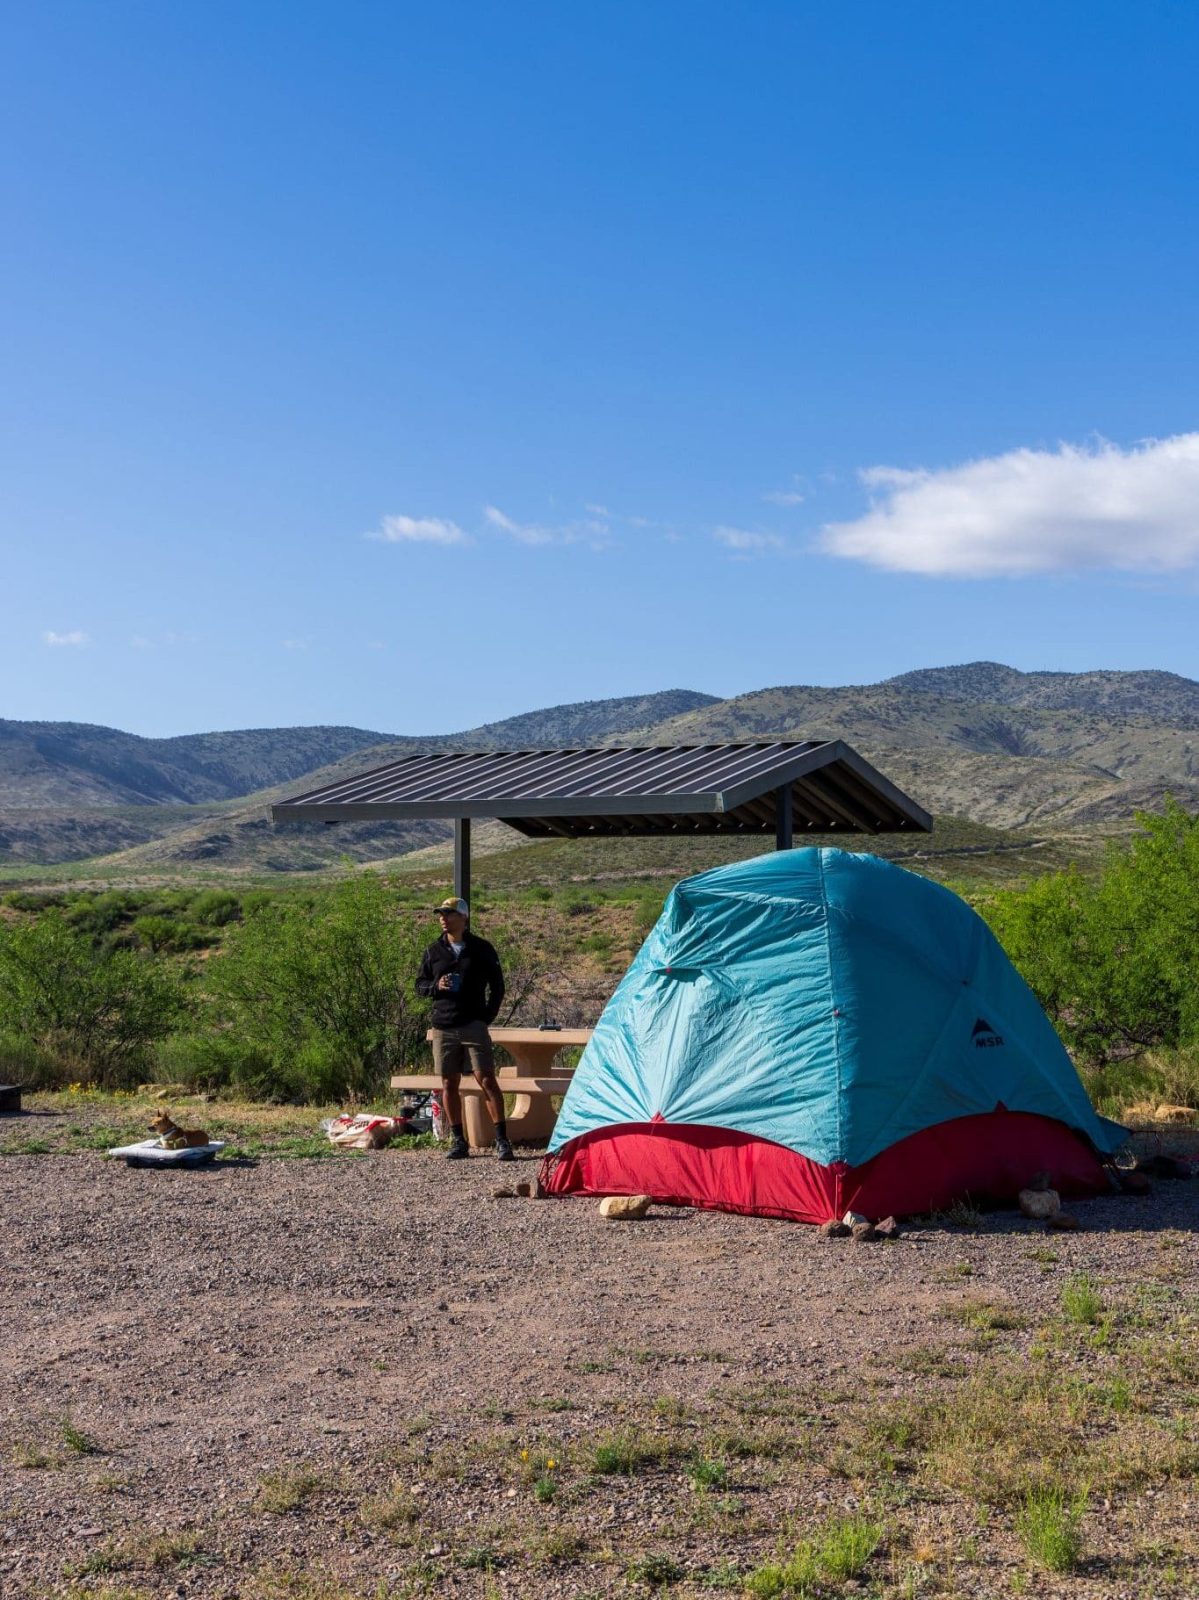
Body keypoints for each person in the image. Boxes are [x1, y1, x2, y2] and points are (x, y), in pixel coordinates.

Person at [415, 896, 511, 1161]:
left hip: (473, 1024)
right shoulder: (433, 951)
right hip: (444, 1025)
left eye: (448, 914)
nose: (443, 919)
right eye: (441, 914)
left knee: (486, 1078)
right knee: (449, 1082)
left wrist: (486, 1017)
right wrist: (436, 987)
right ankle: (459, 1141)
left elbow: (498, 986)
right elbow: (420, 985)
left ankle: (502, 1140)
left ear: (463, 917)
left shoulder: (481, 948)